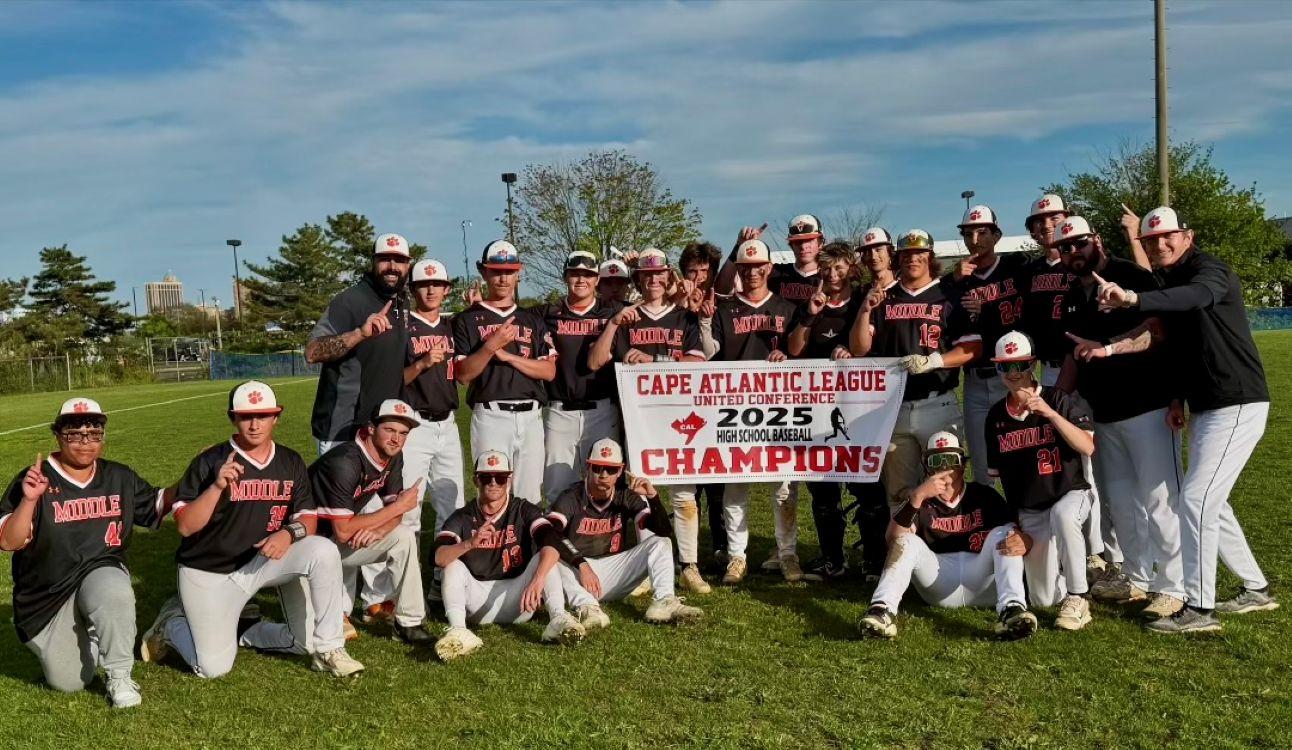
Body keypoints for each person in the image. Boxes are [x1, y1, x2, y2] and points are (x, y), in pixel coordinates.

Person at [1096, 206, 1278, 633]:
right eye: (1151, 240)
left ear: (1188, 236)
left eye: (1168, 237)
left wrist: (1134, 298)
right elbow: (1177, 344)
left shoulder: (1209, 270)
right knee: (1212, 501)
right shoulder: (1171, 277)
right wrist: (1177, 397)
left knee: (1195, 501)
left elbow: (1195, 297)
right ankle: (1256, 589)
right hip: (1205, 404)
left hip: (1237, 401)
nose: (1160, 244)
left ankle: (1199, 609)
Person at [141, 381, 363, 678]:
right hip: (209, 571)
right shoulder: (211, 461)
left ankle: (329, 648)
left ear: (276, 417)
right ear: (233, 418)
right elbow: (185, 526)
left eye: (264, 415)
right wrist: (217, 487)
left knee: (322, 552)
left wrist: (289, 533)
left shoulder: (289, 461)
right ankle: (172, 625)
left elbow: (308, 520)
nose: (255, 424)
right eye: (246, 416)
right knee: (212, 668)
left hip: (260, 562)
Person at [0, 398, 172, 707]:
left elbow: (158, 504)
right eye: (74, 434)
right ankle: (93, 632)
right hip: (46, 596)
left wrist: (200, 476)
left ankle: (119, 675)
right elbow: (9, 542)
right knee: (68, 682)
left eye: (94, 434)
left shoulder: (119, 476)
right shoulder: (35, 478)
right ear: (58, 436)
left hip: (99, 572)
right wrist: (28, 500)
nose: (85, 442)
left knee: (113, 589)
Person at [1055, 216, 1184, 620]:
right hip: (1103, 412)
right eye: (1065, 248)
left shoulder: (1130, 275)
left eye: (1078, 243)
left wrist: (1108, 346)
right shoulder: (1074, 293)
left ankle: (1174, 586)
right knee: (1122, 501)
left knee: (1161, 499)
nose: (1072, 252)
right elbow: (1073, 353)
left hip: (1148, 405)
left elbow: (1159, 330)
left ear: (1095, 239)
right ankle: (1137, 577)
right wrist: (1056, 398)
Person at [589, 248, 711, 593]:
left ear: (668, 277)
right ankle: (646, 564)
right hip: (640, 418)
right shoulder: (628, 316)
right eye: (647, 275)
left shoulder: (683, 317)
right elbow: (615, 358)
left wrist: (658, 361)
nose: (654, 280)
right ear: (639, 279)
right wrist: (630, 355)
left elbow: (697, 362)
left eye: (660, 275)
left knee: (683, 492)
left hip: (680, 415)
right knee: (640, 488)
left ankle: (689, 564)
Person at [857, 432, 1036, 641]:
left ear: (963, 465)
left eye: (950, 459)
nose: (944, 467)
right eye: (936, 460)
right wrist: (917, 497)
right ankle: (881, 610)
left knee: (1005, 534)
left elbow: (1019, 537)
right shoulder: (920, 500)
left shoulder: (983, 495)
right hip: (938, 581)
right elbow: (893, 540)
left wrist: (1026, 540)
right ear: (926, 467)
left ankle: (1011, 608)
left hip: (982, 581)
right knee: (906, 540)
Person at [851, 230, 979, 518]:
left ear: (930, 257)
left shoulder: (949, 295)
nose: (913, 259)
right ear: (898, 258)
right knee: (899, 490)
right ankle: (904, 552)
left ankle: (949, 547)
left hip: (937, 403)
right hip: (893, 407)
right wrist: (864, 311)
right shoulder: (885, 297)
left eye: (920, 253)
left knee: (947, 483)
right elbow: (859, 349)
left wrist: (934, 361)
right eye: (906, 254)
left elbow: (972, 348)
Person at [369, 257, 464, 615]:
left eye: (437, 284)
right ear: (413, 289)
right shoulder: (403, 326)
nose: (431, 289)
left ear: (446, 289)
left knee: (450, 508)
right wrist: (423, 363)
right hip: (414, 426)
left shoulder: (454, 325)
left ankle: (442, 585)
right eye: (424, 284)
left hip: (449, 424)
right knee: (406, 511)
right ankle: (395, 592)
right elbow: (392, 382)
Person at [985, 332, 1096, 630]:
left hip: (1069, 491)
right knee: (1044, 597)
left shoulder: (1058, 399)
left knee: (1063, 515)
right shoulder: (996, 415)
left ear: (1032, 364)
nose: (1013, 374)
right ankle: (1065, 578)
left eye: (1019, 365)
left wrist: (1050, 414)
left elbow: (1087, 447)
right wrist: (1016, 525)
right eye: (1004, 367)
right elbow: (1000, 480)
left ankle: (1078, 596)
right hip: (1031, 507)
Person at [432, 451, 585, 660]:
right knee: (452, 565)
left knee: (546, 555)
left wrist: (538, 579)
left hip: (519, 599)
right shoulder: (463, 516)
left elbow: (552, 541)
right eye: (486, 477)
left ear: (509, 480)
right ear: (476, 480)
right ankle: (459, 630)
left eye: (500, 477)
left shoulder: (522, 509)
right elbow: (439, 557)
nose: (493, 483)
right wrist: (469, 543)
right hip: (476, 603)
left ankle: (558, 618)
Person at [709, 237, 801, 584]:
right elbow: (709, 352)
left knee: (784, 485)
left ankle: (788, 554)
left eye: (758, 268)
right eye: (745, 269)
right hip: (734, 406)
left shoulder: (786, 308)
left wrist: (788, 357)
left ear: (768, 269)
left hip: (778, 407)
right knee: (735, 485)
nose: (752, 274)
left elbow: (800, 352)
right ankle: (737, 556)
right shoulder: (725, 309)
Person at [310, 400, 431, 644]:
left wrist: (380, 529)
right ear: (371, 428)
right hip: (304, 546)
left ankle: (409, 623)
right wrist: (398, 508)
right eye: (390, 430)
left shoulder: (392, 456)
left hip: (334, 540)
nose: (396, 439)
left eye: (403, 433)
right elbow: (344, 531)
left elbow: (394, 511)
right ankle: (332, 612)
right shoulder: (345, 461)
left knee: (404, 536)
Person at [547, 439, 704, 626]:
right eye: (597, 468)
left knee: (662, 543)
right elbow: (551, 534)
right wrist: (581, 564)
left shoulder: (625, 496)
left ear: (621, 471)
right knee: (549, 556)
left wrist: (652, 498)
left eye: (611, 470)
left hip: (614, 570)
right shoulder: (571, 497)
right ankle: (587, 608)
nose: (604, 475)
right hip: (578, 573)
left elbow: (663, 530)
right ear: (587, 468)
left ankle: (664, 601)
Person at [787, 242, 869, 581]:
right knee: (822, 488)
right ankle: (833, 558)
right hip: (817, 408)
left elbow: (869, 348)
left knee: (866, 486)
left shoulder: (862, 302)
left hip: (859, 408)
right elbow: (794, 349)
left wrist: (850, 350)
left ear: (851, 268)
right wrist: (810, 314)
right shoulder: (811, 303)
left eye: (838, 268)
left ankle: (872, 560)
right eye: (826, 269)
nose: (832, 276)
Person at [452, 240, 556, 505]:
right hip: (491, 415)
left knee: (530, 497)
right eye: (496, 271)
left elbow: (549, 371)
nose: (503, 277)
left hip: (532, 415)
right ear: (483, 272)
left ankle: (524, 547)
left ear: (518, 272)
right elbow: (463, 375)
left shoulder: (532, 319)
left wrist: (507, 356)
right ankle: (491, 547)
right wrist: (489, 347)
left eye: (509, 271)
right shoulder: (466, 319)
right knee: (492, 494)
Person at [942, 206, 1030, 485]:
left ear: (997, 234)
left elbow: (1025, 317)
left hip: (1014, 375)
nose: (975, 239)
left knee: (1022, 456)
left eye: (982, 232)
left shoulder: (1016, 269)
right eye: (969, 233)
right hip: (976, 379)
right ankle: (990, 525)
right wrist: (952, 280)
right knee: (983, 465)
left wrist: (987, 310)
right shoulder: (956, 280)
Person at [306, 232, 412, 453]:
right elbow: (312, 352)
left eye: (399, 260)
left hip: (381, 430)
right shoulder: (350, 300)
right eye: (384, 259)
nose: (392, 266)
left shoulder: (401, 302)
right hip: (343, 431)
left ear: (408, 266)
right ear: (373, 262)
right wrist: (360, 333)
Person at [536, 251, 624, 496]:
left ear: (597, 280)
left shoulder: (612, 311)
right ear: (565, 277)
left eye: (588, 274)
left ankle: (603, 534)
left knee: (604, 485)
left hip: (602, 410)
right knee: (557, 486)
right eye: (575, 274)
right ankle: (560, 534)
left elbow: (655, 306)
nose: (581, 279)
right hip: (559, 411)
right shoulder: (547, 313)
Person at [679, 241, 730, 564]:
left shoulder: (720, 302)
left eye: (703, 270)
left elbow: (712, 351)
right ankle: (688, 547)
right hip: (683, 397)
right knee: (686, 478)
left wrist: (705, 318)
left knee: (717, 477)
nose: (698, 276)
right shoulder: (675, 305)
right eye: (691, 271)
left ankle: (722, 543)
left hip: (715, 395)